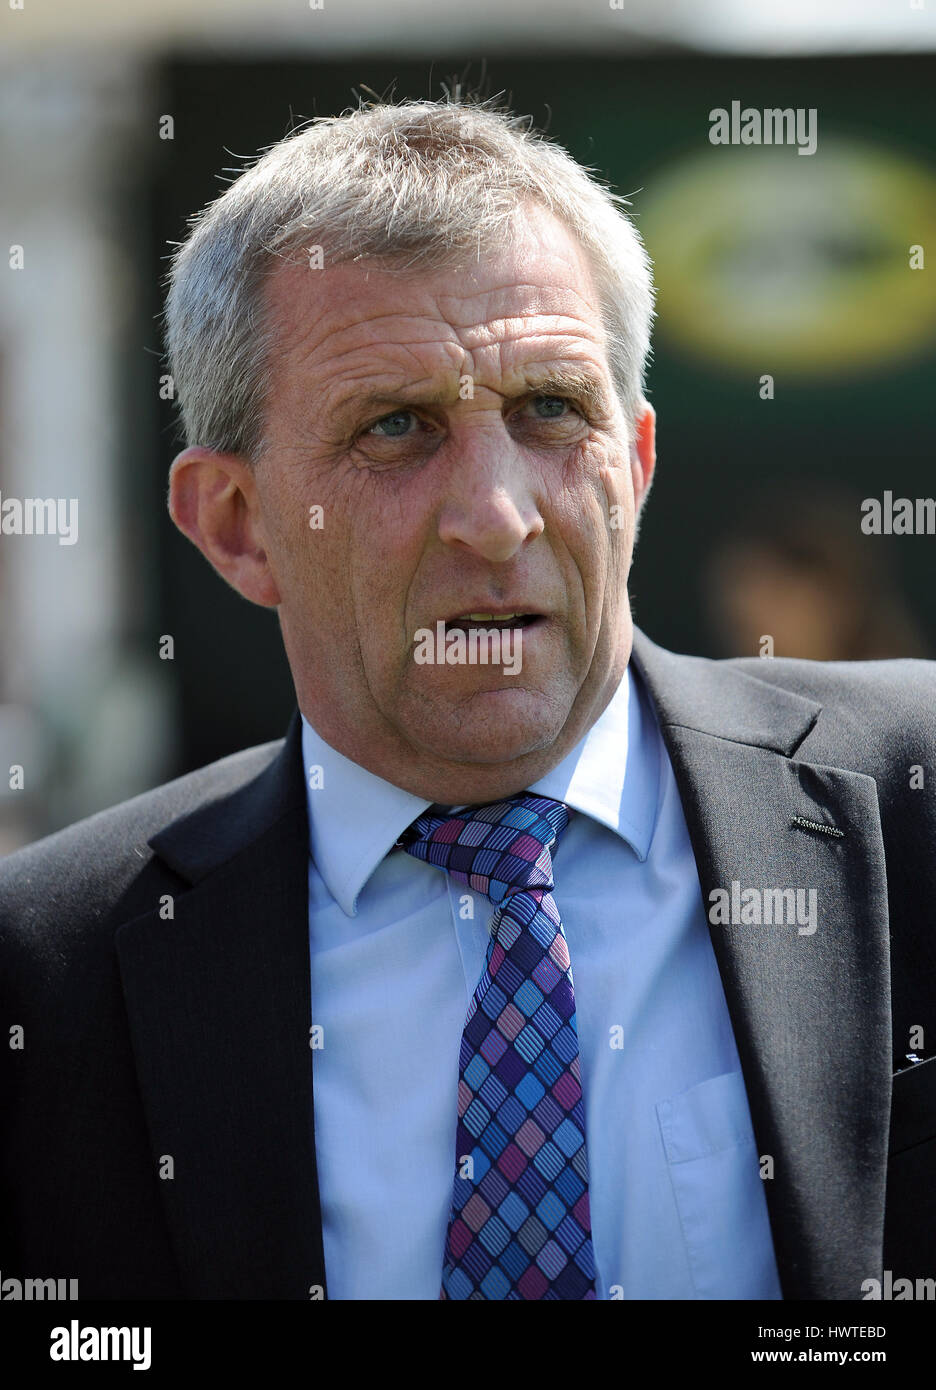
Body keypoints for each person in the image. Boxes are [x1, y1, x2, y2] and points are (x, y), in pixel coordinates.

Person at [1, 97, 934, 1302]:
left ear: (636, 463)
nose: (497, 514)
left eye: (551, 408)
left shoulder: (909, 805)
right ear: (237, 527)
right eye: (396, 428)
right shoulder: (52, 974)